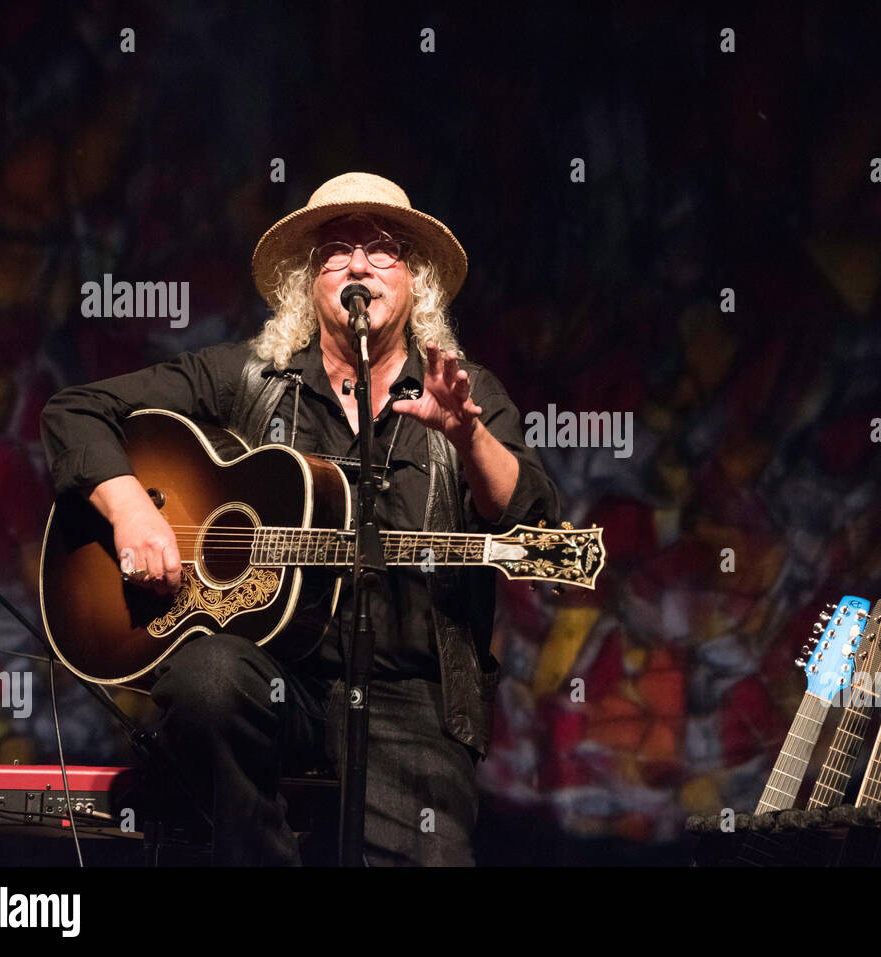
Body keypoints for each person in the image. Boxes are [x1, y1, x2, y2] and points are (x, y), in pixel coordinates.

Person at [40, 172, 561, 865]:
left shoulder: (464, 390)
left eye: (382, 249)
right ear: (307, 281)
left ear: (416, 281)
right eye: (336, 249)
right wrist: (132, 508)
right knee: (206, 680)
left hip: (407, 694)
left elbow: (531, 522)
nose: (358, 265)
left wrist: (468, 438)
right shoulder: (249, 377)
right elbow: (75, 410)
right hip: (269, 675)